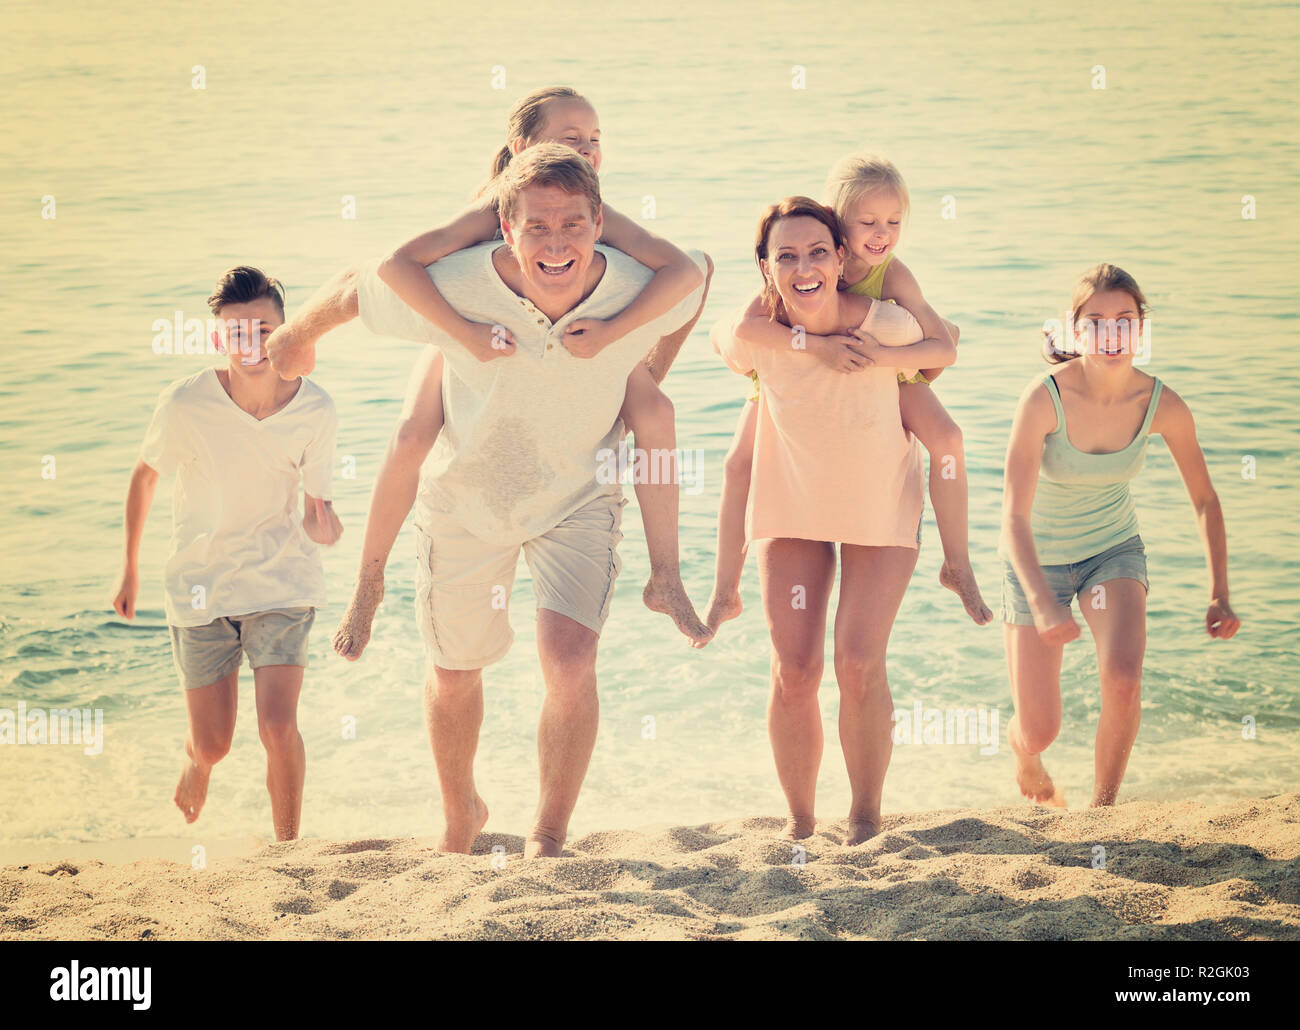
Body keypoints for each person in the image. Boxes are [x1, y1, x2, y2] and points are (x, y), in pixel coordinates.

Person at [266, 145, 710, 857]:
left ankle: (548, 832)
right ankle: (459, 810)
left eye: (573, 223)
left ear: (601, 221)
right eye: (537, 226)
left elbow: (696, 277)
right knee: (453, 670)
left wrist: (627, 344)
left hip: (577, 499)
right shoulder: (458, 284)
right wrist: (295, 338)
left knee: (569, 663)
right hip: (468, 499)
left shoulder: (634, 286)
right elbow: (367, 279)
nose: (556, 242)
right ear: (505, 227)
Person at [332, 85, 713, 660]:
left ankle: (666, 577)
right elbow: (387, 268)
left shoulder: (593, 212)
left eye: (594, 140)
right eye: (570, 139)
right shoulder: (493, 209)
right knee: (412, 435)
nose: (585, 151)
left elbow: (688, 271)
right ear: (519, 150)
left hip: (588, 345)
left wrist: (618, 340)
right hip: (465, 337)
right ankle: (368, 581)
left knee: (656, 412)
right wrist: (462, 334)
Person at [712, 197, 925, 845]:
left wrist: (867, 353)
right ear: (765, 267)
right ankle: (801, 824)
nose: (803, 266)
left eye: (816, 252)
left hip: (877, 499)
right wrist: (814, 344)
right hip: (793, 502)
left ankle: (864, 819)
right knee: (795, 669)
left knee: (858, 663)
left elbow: (945, 349)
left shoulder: (884, 325)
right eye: (785, 255)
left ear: (840, 258)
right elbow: (727, 332)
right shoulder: (760, 335)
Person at [704, 155, 989, 640]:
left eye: (894, 222)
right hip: (793, 377)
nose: (882, 234)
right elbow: (741, 328)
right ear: (839, 223)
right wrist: (818, 348)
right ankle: (724, 591)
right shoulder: (791, 266)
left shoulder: (892, 275)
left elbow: (943, 350)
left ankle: (957, 563)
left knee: (948, 439)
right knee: (736, 464)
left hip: (888, 371)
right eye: (869, 222)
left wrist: (877, 357)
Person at [111, 266, 342, 841]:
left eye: (263, 329)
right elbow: (145, 477)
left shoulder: (316, 410)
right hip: (200, 585)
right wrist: (130, 571)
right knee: (214, 742)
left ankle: (288, 848)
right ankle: (197, 759)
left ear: (288, 332)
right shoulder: (187, 402)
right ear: (219, 340)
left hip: (282, 584)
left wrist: (325, 525)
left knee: (277, 726)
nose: (251, 344)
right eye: (236, 332)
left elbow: (317, 510)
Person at [1000, 263, 1241, 808]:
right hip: (1036, 562)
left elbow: (1205, 500)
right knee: (1040, 730)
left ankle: (1101, 812)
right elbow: (1012, 517)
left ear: (1141, 329)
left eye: (1125, 321)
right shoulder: (1043, 399)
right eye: (1097, 321)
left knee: (1124, 678)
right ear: (1075, 329)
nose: (1112, 334)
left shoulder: (1162, 405)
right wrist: (1042, 602)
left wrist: (1220, 591)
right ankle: (1023, 753)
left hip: (1113, 552)